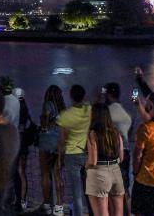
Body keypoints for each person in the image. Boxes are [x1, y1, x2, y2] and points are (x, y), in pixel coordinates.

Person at [84, 103, 126, 216]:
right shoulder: (116, 132)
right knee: (118, 212)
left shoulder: (92, 134)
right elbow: (121, 158)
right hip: (116, 173)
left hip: (99, 173)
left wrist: (86, 165)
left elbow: (92, 161)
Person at [58, 85, 92, 216]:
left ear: (71, 97)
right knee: (89, 190)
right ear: (83, 96)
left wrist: (60, 157)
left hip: (71, 155)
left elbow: (62, 139)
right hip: (87, 154)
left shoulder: (65, 115)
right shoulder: (89, 110)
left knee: (76, 193)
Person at [104, 83, 134, 211]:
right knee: (125, 188)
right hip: (126, 152)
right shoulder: (127, 113)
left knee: (111, 190)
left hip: (112, 153)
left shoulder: (108, 112)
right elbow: (130, 134)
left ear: (109, 94)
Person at [39, 85, 67, 216]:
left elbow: (45, 115)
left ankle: (46, 205)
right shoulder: (63, 109)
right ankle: (59, 206)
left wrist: (44, 126)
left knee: (45, 174)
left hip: (46, 142)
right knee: (58, 175)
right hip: (59, 143)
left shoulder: (48, 104)